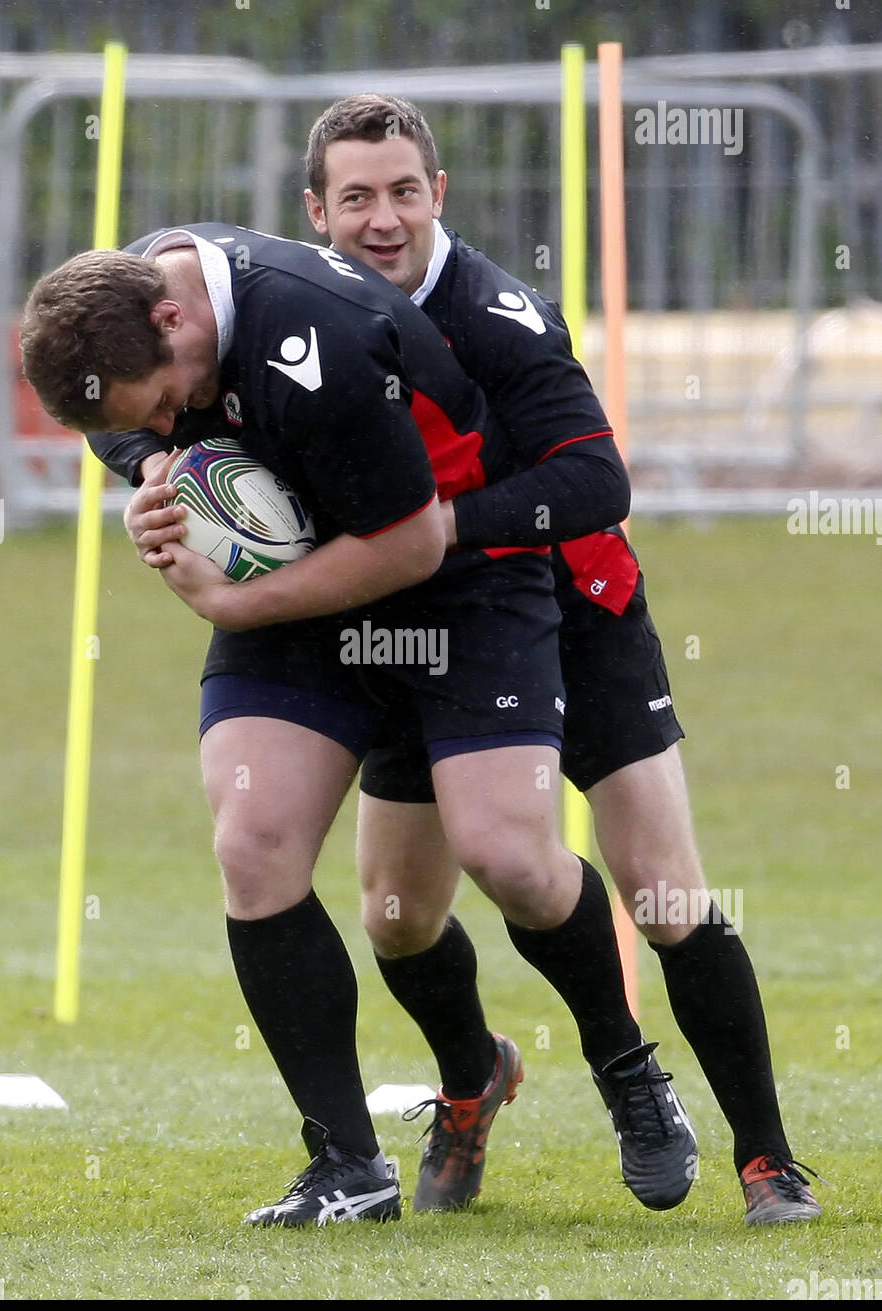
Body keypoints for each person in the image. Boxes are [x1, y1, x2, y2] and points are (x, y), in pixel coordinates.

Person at [21, 222, 694, 1227]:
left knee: (509, 856)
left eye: (166, 400)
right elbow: (122, 424)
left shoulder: (319, 335)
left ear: (177, 318)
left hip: (451, 577)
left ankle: (625, 1067)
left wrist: (241, 603)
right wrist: (153, 479)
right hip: (308, 569)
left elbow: (413, 543)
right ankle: (347, 1162)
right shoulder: (120, 303)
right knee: (254, 843)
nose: (164, 419)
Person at [296, 93, 821, 1227]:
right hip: (422, 632)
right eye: (356, 198)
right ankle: (473, 1079)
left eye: (402, 193)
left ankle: (764, 1159)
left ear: (438, 195)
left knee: (668, 889)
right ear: (317, 211)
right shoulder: (306, 315)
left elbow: (598, 482)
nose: (382, 219)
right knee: (393, 911)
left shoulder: (497, 313)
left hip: (579, 614)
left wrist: (443, 526)